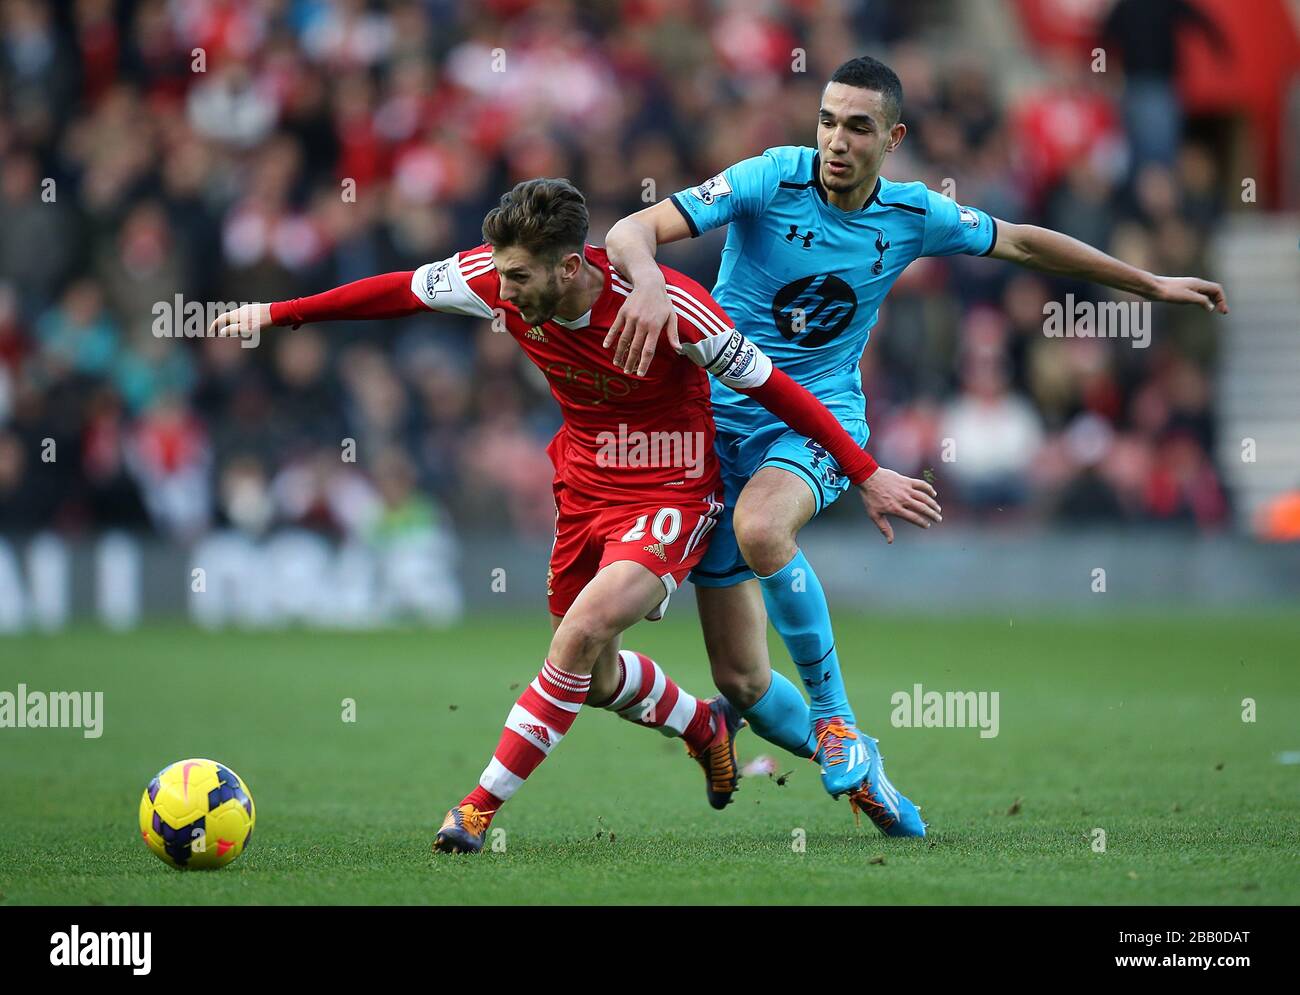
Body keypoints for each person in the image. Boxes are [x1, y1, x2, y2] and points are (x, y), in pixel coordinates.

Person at [208, 177, 939, 853]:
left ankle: (475, 808)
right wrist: (277, 314)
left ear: (566, 268)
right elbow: (397, 291)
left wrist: (865, 470)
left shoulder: (669, 305)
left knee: (581, 632)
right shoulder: (496, 278)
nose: (502, 289)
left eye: (518, 276)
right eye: (500, 273)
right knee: (592, 677)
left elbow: (779, 389)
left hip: (674, 493)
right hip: (585, 492)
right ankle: (702, 722)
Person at [603, 55, 1228, 836]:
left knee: (763, 528)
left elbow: (1026, 244)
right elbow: (632, 229)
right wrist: (650, 277)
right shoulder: (768, 177)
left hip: (816, 422)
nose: (835, 140)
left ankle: (834, 720)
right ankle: (869, 767)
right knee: (745, 683)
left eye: (857, 127)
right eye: (827, 121)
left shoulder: (912, 215)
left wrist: (1152, 284)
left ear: (891, 138)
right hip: (713, 429)